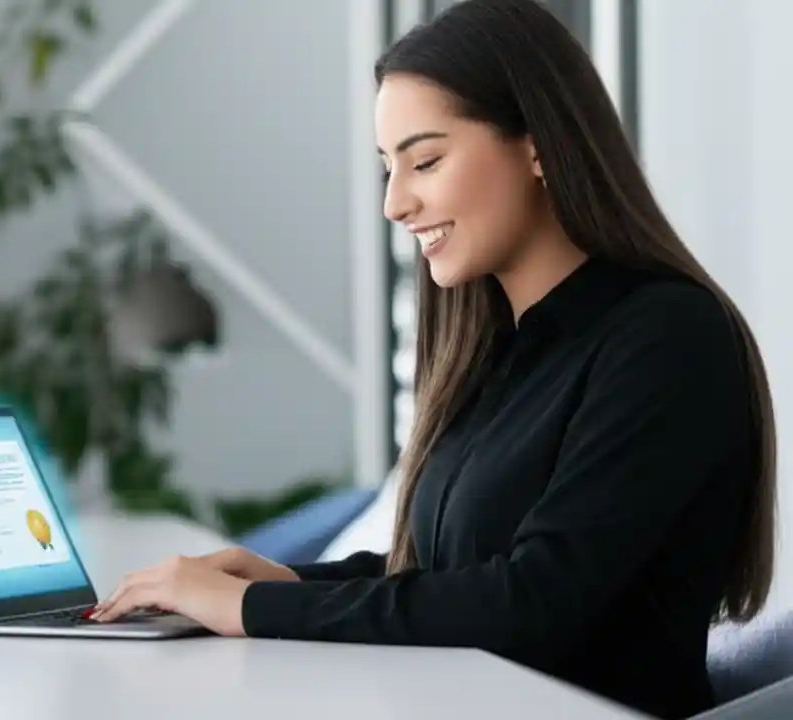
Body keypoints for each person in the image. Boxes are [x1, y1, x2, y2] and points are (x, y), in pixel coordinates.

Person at [88, 1, 776, 717]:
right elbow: (450, 578)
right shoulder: (496, 351)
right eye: (388, 168)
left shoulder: (667, 338)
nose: (394, 203)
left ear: (538, 143)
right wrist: (286, 585)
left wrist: (253, 608)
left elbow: (532, 605)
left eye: (424, 161)